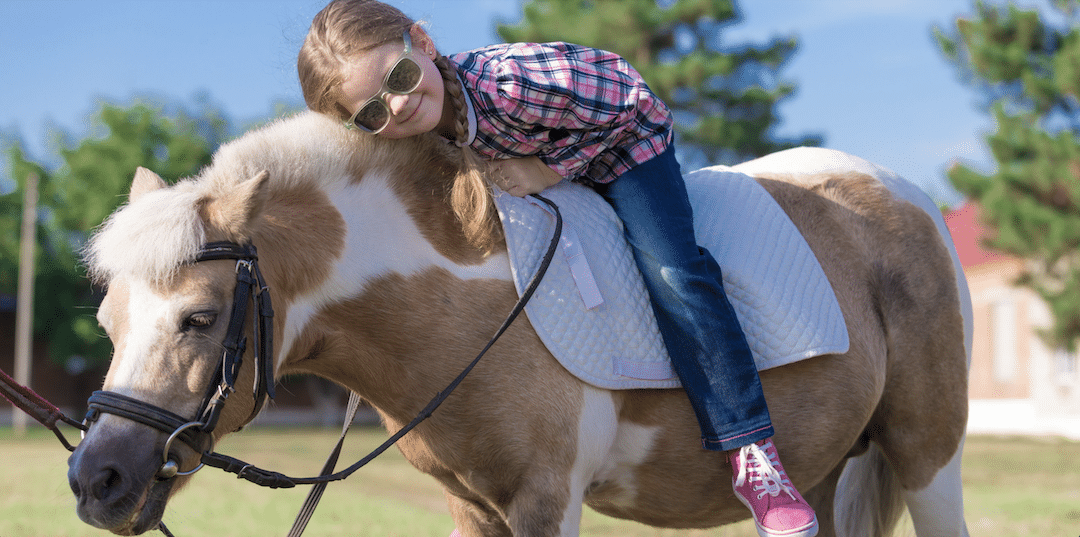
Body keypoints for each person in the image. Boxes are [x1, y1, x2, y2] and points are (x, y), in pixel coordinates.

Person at [297, 2, 817, 536]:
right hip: (531, 165)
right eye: (372, 113)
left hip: (626, 149)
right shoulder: (408, 139)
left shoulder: (509, 84)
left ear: (423, 43)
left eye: (399, 76)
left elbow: (632, 100)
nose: (398, 106)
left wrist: (547, 170)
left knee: (675, 275)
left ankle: (752, 451)